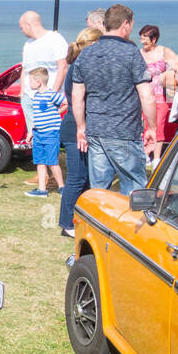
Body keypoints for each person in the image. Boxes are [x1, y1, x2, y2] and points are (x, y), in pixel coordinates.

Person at [71, 3, 155, 194]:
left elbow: (77, 96)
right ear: (125, 24)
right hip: (125, 131)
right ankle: (130, 223)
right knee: (133, 189)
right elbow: (146, 95)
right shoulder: (132, 53)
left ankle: (100, 223)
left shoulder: (86, 54)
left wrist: (81, 127)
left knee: (99, 191)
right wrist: (152, 128)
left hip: (96, 130)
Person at [58, 27, 102, 237]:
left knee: (83, 177)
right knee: (76, 177)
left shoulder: (77, 65)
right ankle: (67, 223)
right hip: (74, 126)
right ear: (93, 45)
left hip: (77, 125)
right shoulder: (79, 67)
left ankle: (77, 218)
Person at [18, 11, 68, 139]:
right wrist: (23, 92)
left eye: (22, 28)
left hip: (46, 96)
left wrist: (52, 94)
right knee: (34, 136)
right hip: (29, 98)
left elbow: (62, 66)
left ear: (29, 25)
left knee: (48, 136)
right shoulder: (28, 44)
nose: (22, 31)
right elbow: (25, 69)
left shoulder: (55, 39)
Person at [138, 25, 176, 166]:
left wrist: (170, 75)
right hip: (143, 95)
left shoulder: (164, 51)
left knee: (159, 125)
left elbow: (177, 66)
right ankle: (146, 154)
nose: (142, 41)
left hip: (161, 95)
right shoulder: (139, 53)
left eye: (145, 38)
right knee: (145, 126)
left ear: (154, 39)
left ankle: (157, 157)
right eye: (141, 38)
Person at [24, 67, 65, 198]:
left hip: (50, 134)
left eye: (31, 81)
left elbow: (67, 103)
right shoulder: (36, 96)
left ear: (39, 82)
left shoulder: (52, 94)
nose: (29, 84)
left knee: (52, 162)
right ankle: (42, 190)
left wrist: (56, 113)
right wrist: (31, 132)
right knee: (40, 162)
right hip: (38, 134)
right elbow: (38, 117)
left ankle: (62, 188)